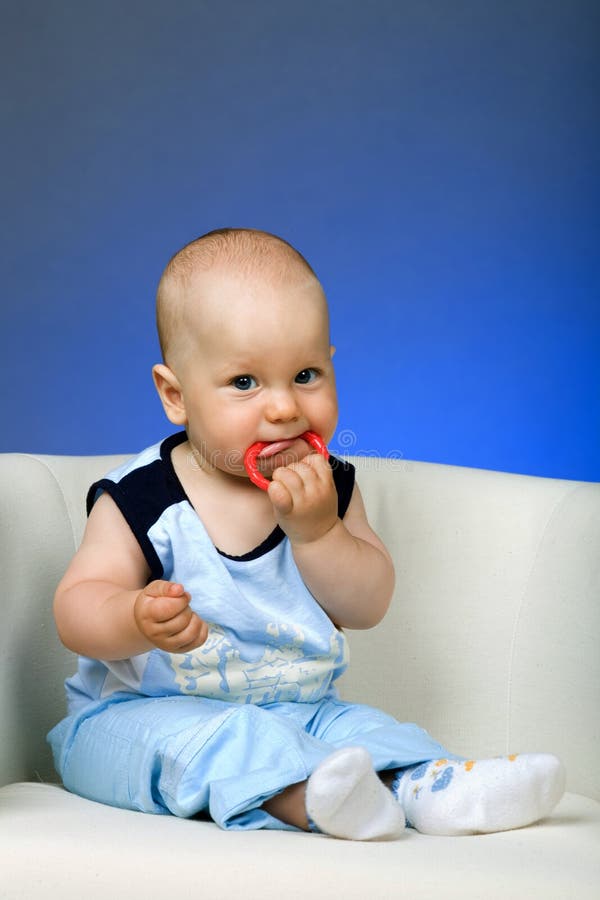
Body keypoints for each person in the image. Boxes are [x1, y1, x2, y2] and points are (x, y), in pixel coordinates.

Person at [48, 228, 565, 840]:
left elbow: (367, 605)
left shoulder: (330, 488)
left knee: (365, 730)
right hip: (142, 720)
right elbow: (75, 607)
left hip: (305, 713)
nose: (284, 408)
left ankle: (430, 786)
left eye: (306, 374)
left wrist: (320, 535)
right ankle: (310, 799)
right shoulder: (142, 496)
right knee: (231, 742)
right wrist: (133, 616)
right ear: (175, 395)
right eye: (245, 383)